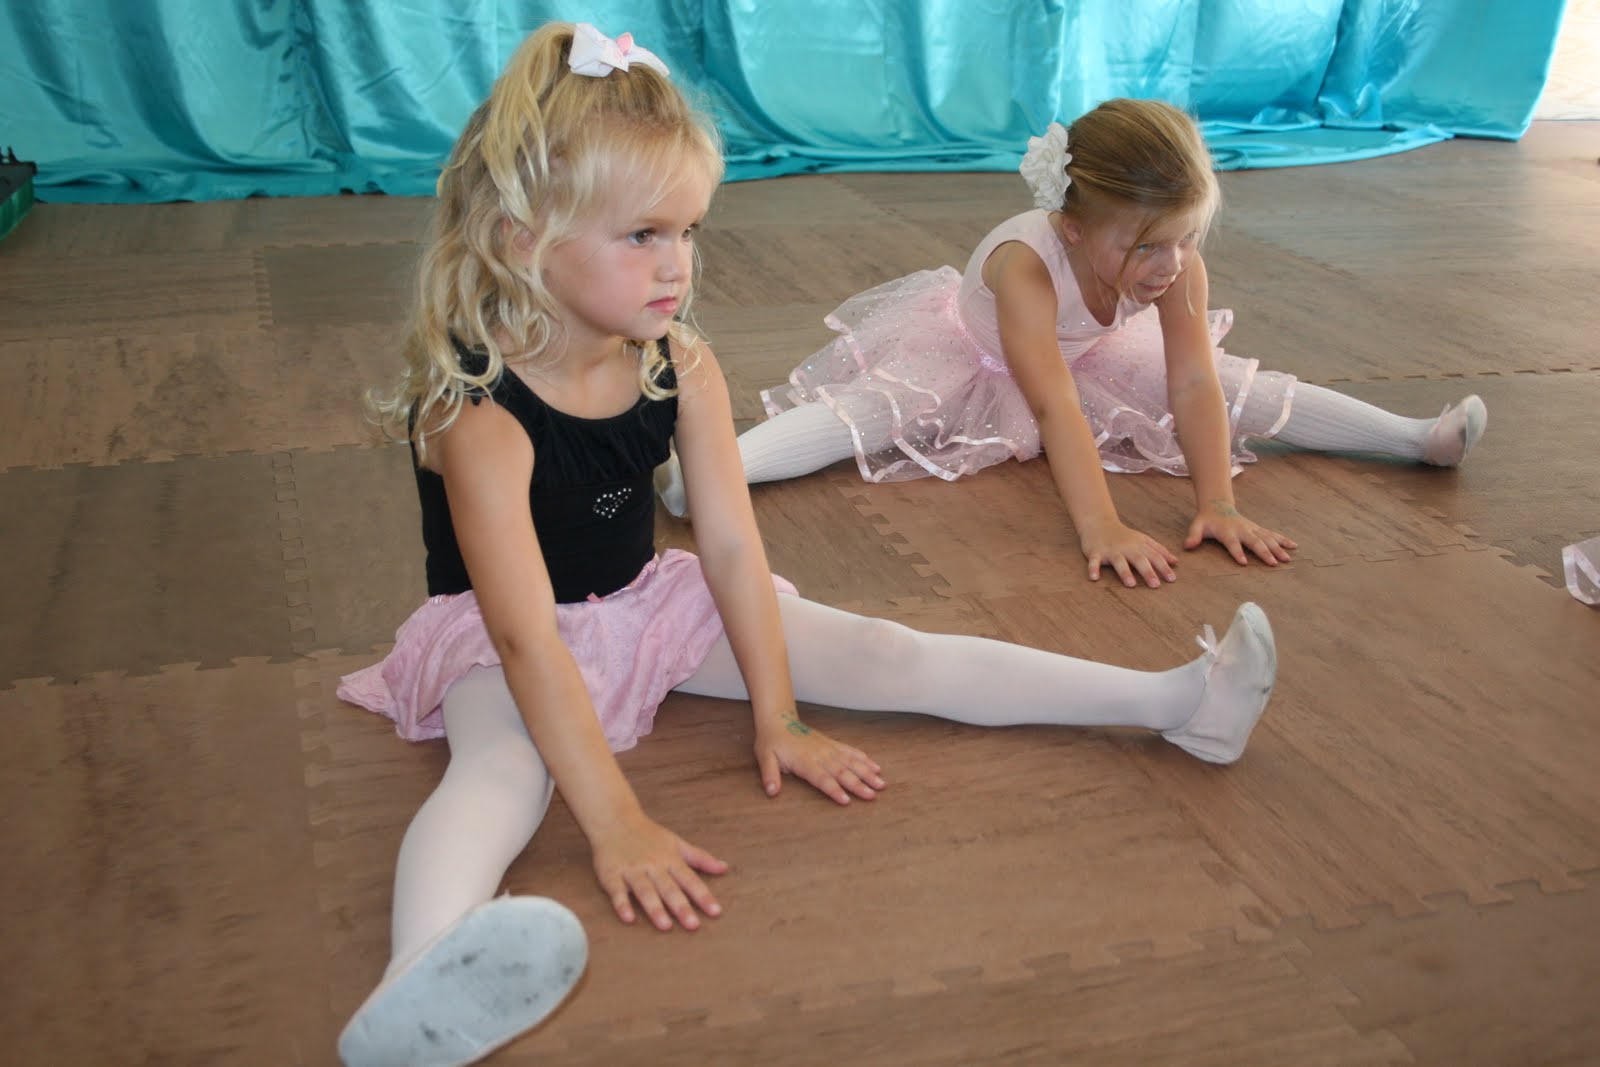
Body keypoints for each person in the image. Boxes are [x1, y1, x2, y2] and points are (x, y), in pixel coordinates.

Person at [334, 32, 1280, 1067]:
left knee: (885, 649)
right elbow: (523, 636)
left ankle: (1179, 703)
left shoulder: (677, 363)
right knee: (503, 769)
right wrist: (615, 822)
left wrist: (779, 716)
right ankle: (415, 985)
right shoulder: (477, 415)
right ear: (523, 240)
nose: (676, 264)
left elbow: (733, 549)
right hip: (492, 638)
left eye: (688, 230)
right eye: (642, 234)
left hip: (645, 602)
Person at [656, 98, 1487, 590]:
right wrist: (1102, 525)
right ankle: (709, 470)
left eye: (1186, 241)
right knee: (871, 414)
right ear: (1074, 225)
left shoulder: (1176, 266)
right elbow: (1050, 401)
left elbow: (1195, 382)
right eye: (1147, 246)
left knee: (1246, 390)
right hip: (975, 355)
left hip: (1087, 356)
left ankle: (1418, 438)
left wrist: (1217, 500)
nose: (1169, 266)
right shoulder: (1026, 267)